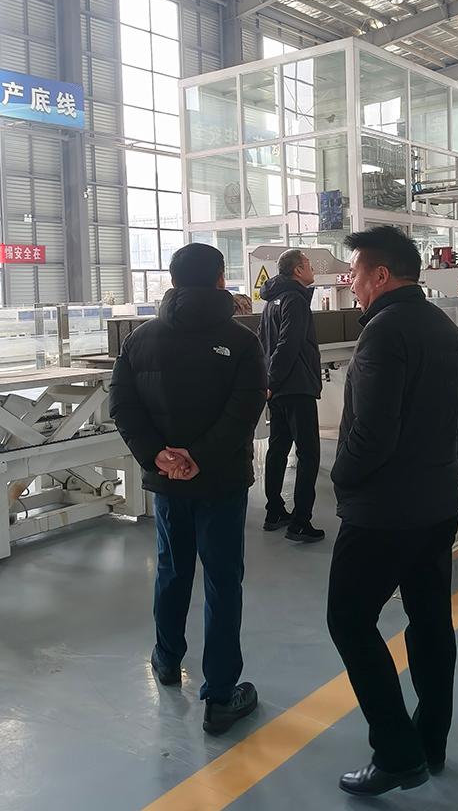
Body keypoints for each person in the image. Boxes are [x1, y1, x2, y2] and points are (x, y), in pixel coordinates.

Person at [327, 227, 458, 797]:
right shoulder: (443, 327)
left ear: (381, 275)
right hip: (437, 504)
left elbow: (370, 434)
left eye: (356, 273)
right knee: (430, 619)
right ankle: (430, 741)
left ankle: (396, 753)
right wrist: (439, 472)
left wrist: (341, 477)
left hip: (383, 512)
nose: (352, 283)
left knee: (349, 620)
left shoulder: (383, 332)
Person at [109, 243, 267, 736]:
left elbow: (122, 404)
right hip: (220, 481)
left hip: (167, 482)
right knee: (222, 579)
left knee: (172, 569)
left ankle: (165, 658)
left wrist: (158, 455)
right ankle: (220, 695)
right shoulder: (242, 341)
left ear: (173, 280)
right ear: (220, 279)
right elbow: (245, 411)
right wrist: (200, 457)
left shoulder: (140, 340)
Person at [258, 249, 324, 543]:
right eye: (308, 264)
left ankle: (274, 511)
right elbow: (289, 343)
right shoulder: (295, 299)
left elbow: (264, 344)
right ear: (297, 270)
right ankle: (300, 521)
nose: (312, 269)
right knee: (308, 453)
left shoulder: (272, 301)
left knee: (278, 448)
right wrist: (274, 379)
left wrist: (269, 382)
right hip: (296, 386)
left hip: (279, 389)